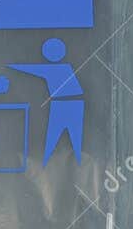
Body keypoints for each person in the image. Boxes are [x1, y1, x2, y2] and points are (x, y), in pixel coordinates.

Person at [6, 38, 84, 166]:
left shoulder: (59, 68)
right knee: (56, 140)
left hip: (67, 104)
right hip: (67, 103)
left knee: (62, 139)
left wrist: (13, 66)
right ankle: (48, 162)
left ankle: (51, 161)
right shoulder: (63, 68)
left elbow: (35, 69)